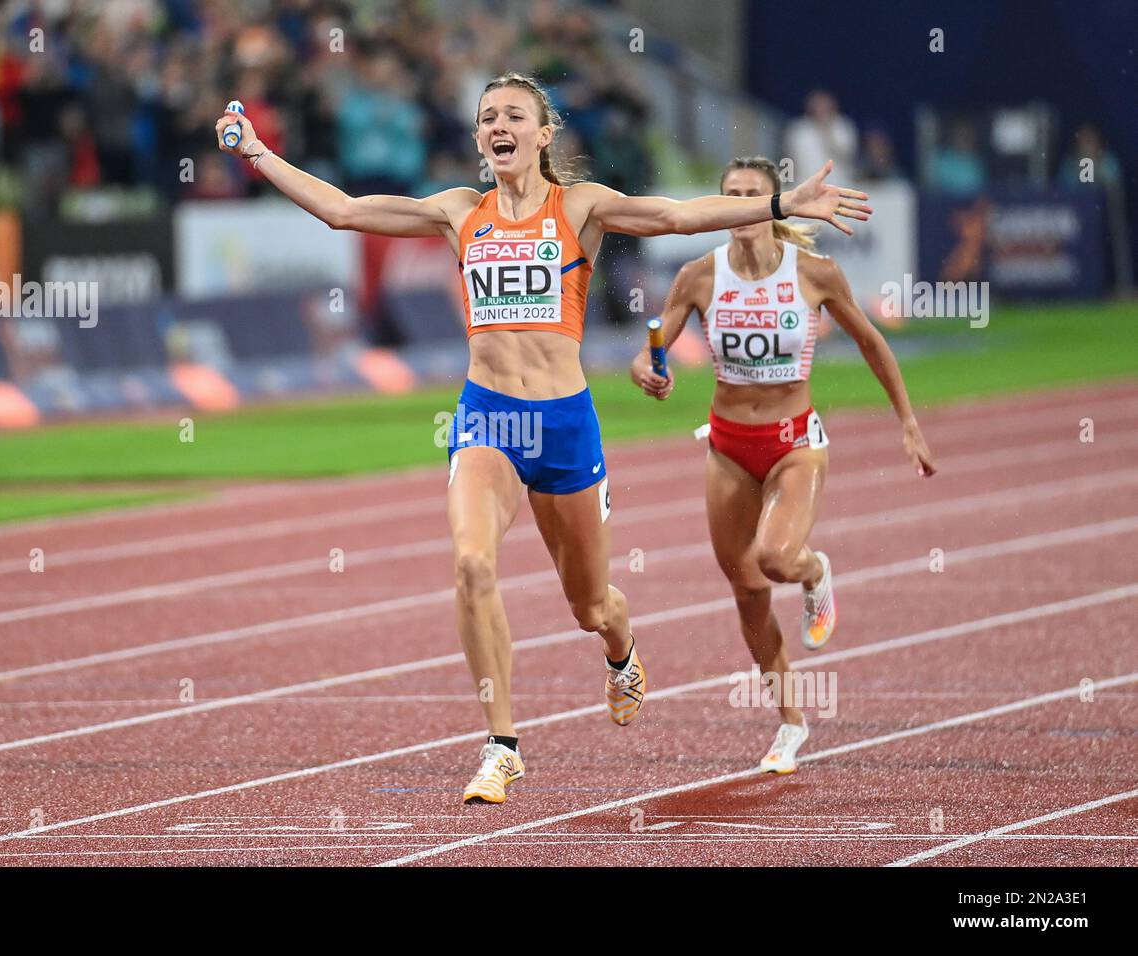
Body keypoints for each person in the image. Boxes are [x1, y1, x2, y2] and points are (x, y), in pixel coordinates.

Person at [217, 75, 872, 805]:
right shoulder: (457, 211)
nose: (499, 126)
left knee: (592, 606)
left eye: (514, 116)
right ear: (478, 140)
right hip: (488, 417)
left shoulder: (580, 205)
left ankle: (621, 654)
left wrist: (780, 203)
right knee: (471, 564)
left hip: (564, 425)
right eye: (487, 117)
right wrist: (258, 154)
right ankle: (501, 745)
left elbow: (677, 216)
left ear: (542, 133)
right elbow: (342, 210)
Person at [629, 156, 933, 775]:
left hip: (795, 442)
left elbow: (872, 342)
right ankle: (791, 723)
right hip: (727, 446)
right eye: (731, 194)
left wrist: (906, 420)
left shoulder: (814, 274)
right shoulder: (698, 275)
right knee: (746, 590)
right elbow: (654, 345)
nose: (741, 205)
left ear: (775, 203)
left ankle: (816, 570)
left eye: (752, 194)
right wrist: (646, 367)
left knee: (774, 559)